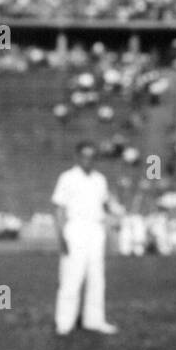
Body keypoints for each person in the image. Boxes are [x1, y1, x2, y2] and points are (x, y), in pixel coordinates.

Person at [51, 140, 118, 335]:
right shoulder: (67, 178)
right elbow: (59, 209)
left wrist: (114, 217)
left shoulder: (100, 179)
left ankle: (94, 321)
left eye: (92, 157)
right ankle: (64, 323)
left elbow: (105, 205)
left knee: (97, 278)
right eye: (84, 156)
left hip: (95, 231)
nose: (88, 160)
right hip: (75, 231)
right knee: (71, 278)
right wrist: (61, 237)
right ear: (78, 157)